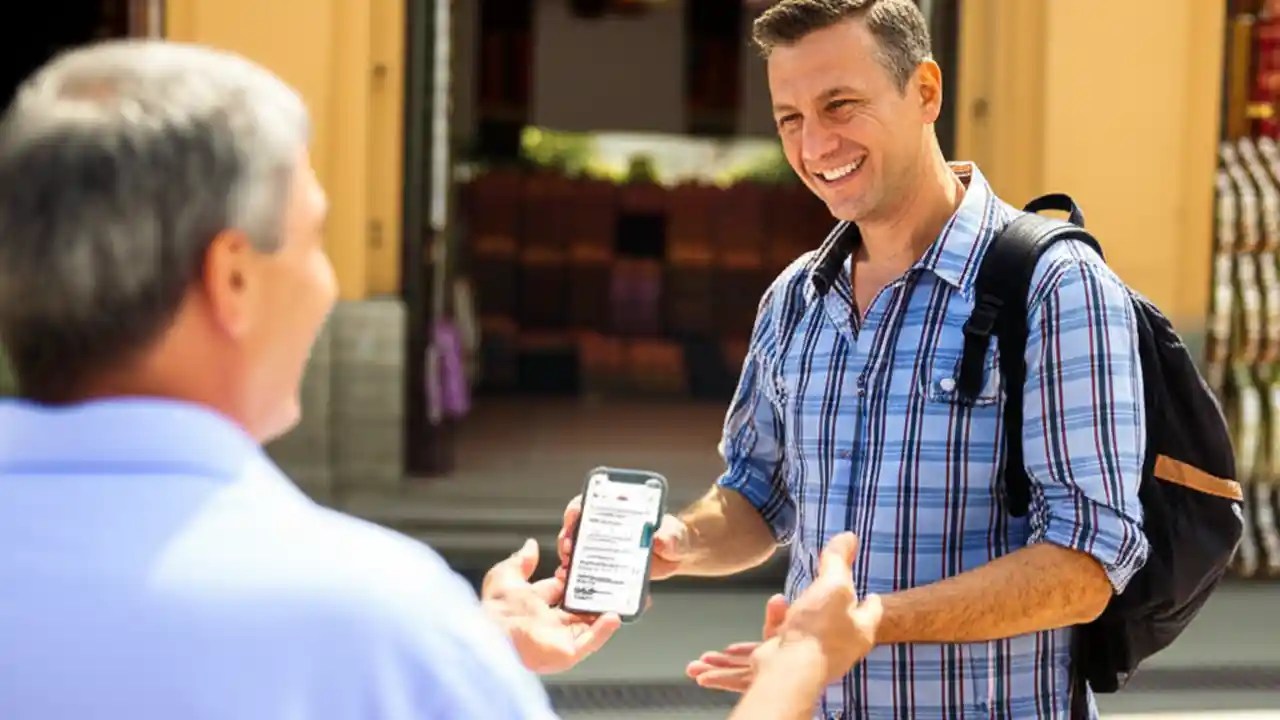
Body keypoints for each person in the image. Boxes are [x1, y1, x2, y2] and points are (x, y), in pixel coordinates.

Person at [0, 39, 879, 720]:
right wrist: (801, 666)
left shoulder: (397, 626)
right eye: (313, 242)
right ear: (231, 279)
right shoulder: (370, 618)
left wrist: (470, 648)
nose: (330, 285)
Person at [558, 1, 1149, 718]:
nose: (815, 145)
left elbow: (1088, 564)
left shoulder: (1055, 286)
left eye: (840, 105)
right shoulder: (794, 300)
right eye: (790, 119)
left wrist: (867, 626)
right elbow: (759, 493)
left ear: (925, 91)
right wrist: (678, 540)